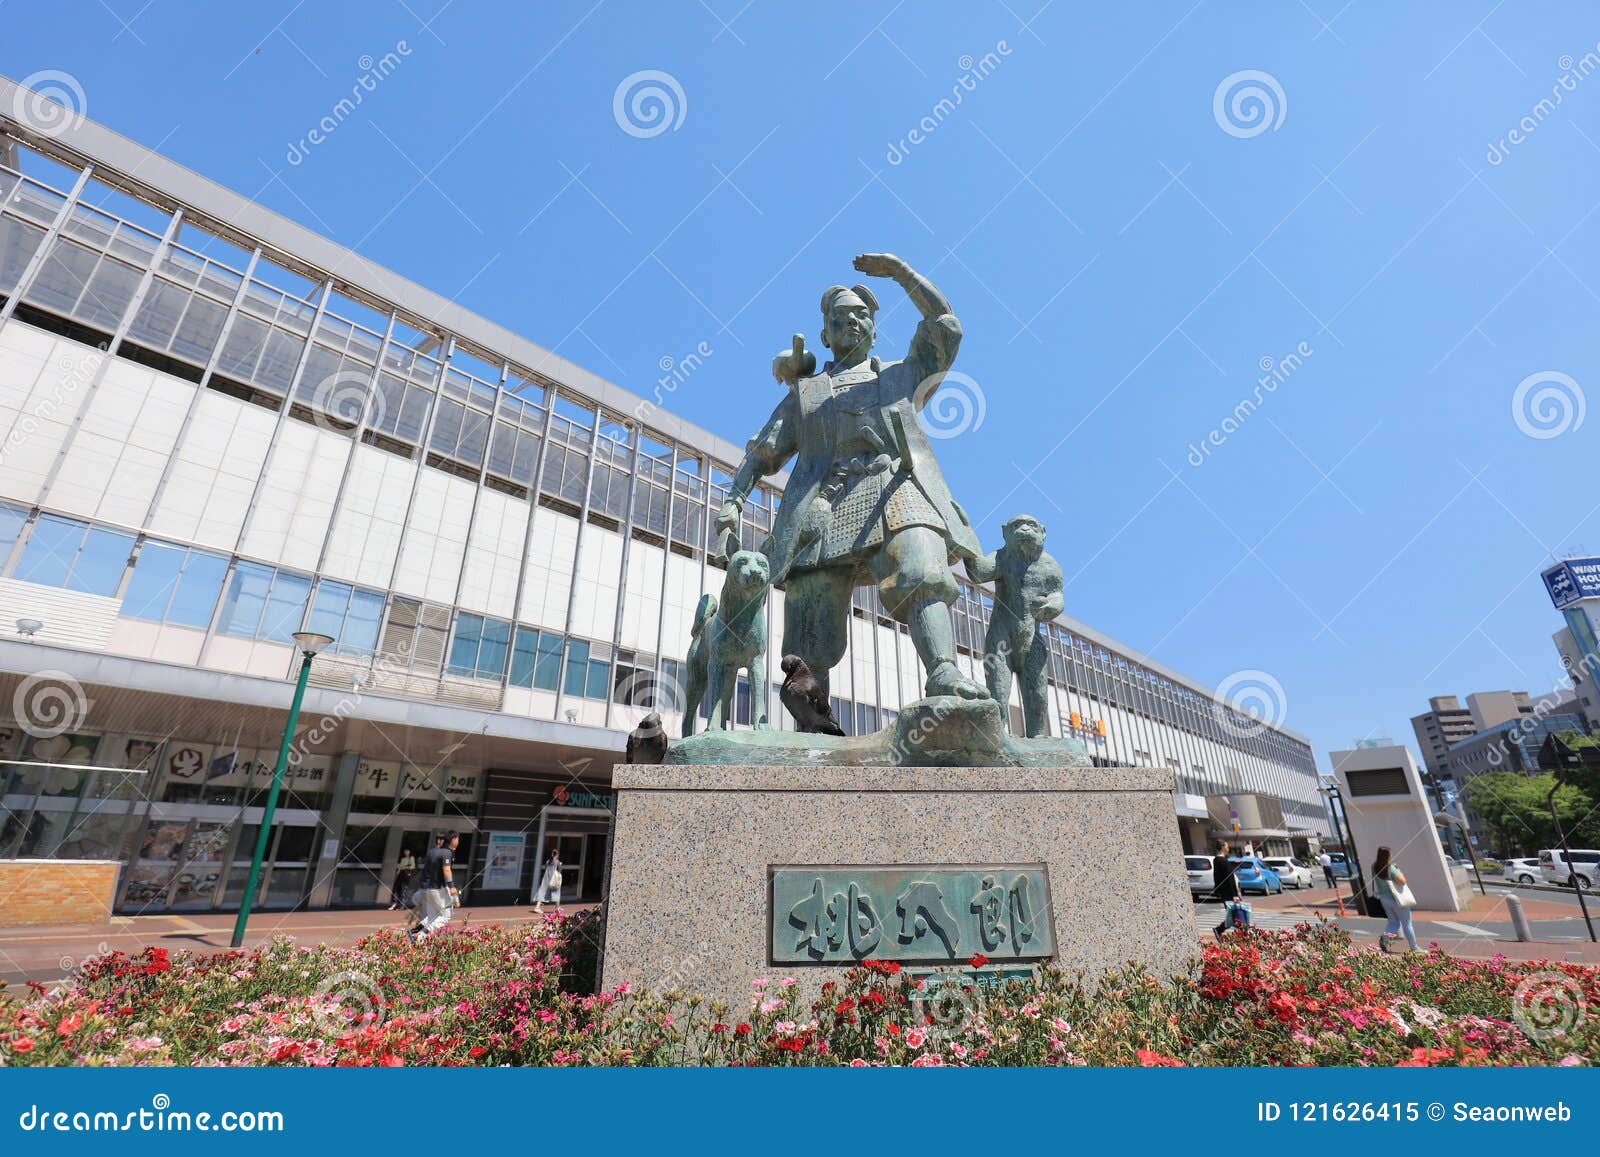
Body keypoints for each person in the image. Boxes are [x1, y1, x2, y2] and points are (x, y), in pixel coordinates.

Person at [408, 833, 459, 941]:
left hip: (427, 888)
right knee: (446, 915)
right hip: (437, 888)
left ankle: (414, 932)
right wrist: (452, 887)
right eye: (457, 839)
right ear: (453, 840)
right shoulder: (447, 853)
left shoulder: (432, 852)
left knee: (433, 916)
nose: (458, 842)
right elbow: (446, 870)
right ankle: (421, 935)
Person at [1371, 845, 1420, 954]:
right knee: (1407, 924)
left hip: (1384, 899)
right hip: (1397, 899)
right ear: (1388, 856)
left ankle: (1385, 939)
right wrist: (1398, 870)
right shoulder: (1391, 868)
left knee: (1393, 923)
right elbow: (1402, 881)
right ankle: (1414, 947)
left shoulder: (1374, 867)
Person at [1212, 841, 1241, 940]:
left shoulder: (1220, 860)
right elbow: (1229, 880)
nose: (1228, 849)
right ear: (1222, 847)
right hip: (1229, 894)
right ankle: (1219, 929)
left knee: (1235, 916)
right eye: (1227, 846)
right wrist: (1235, 895)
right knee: (1236, 917)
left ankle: (1220, 930)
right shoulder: (1221, 861)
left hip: (1227, 893)